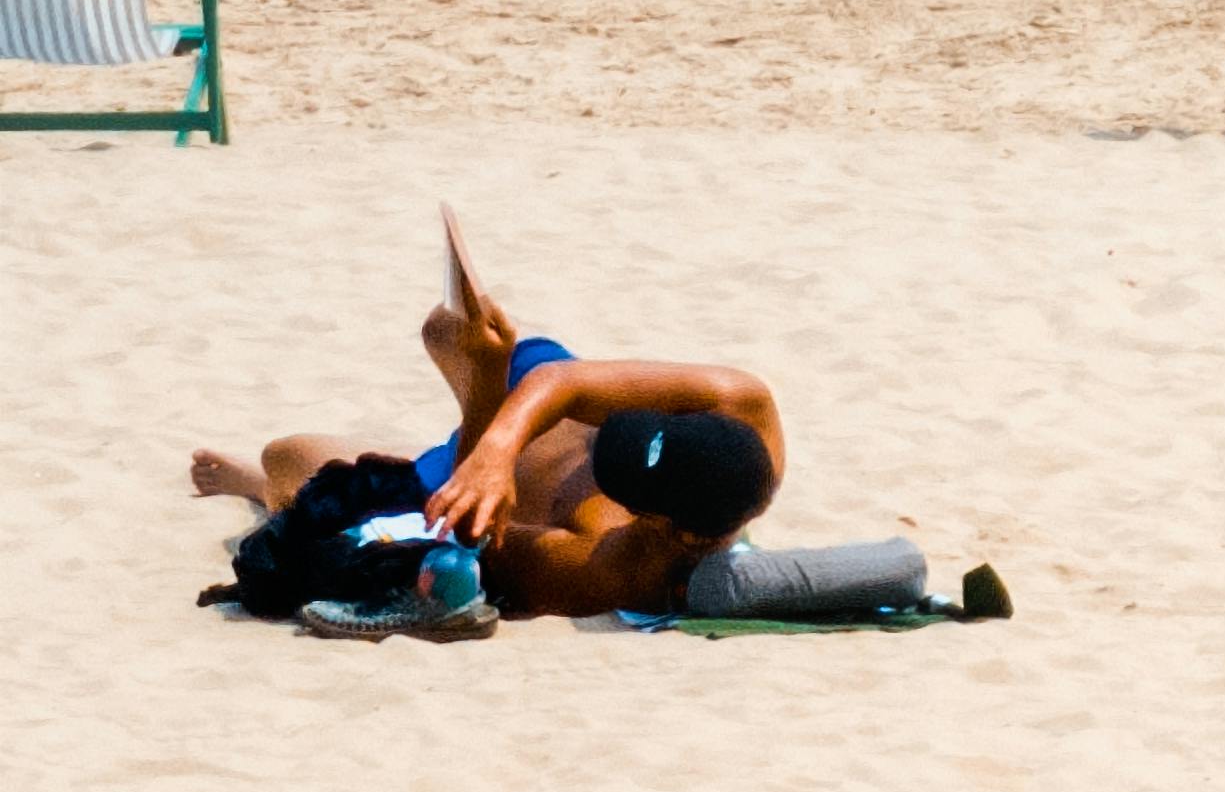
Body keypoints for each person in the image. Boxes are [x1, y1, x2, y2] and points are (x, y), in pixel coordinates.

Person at [190, 208, 783, 618]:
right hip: (542, 397)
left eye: (621, 475)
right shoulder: (742, 403)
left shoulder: (601, 567)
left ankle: (258, 486)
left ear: (665, 526)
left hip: (463, 468)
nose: (610, 455)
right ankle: (466, 393)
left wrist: (485, 418)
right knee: (442, 326)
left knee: (286, 458)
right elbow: (565, 382)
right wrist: (504, 440)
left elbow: (477, 542)